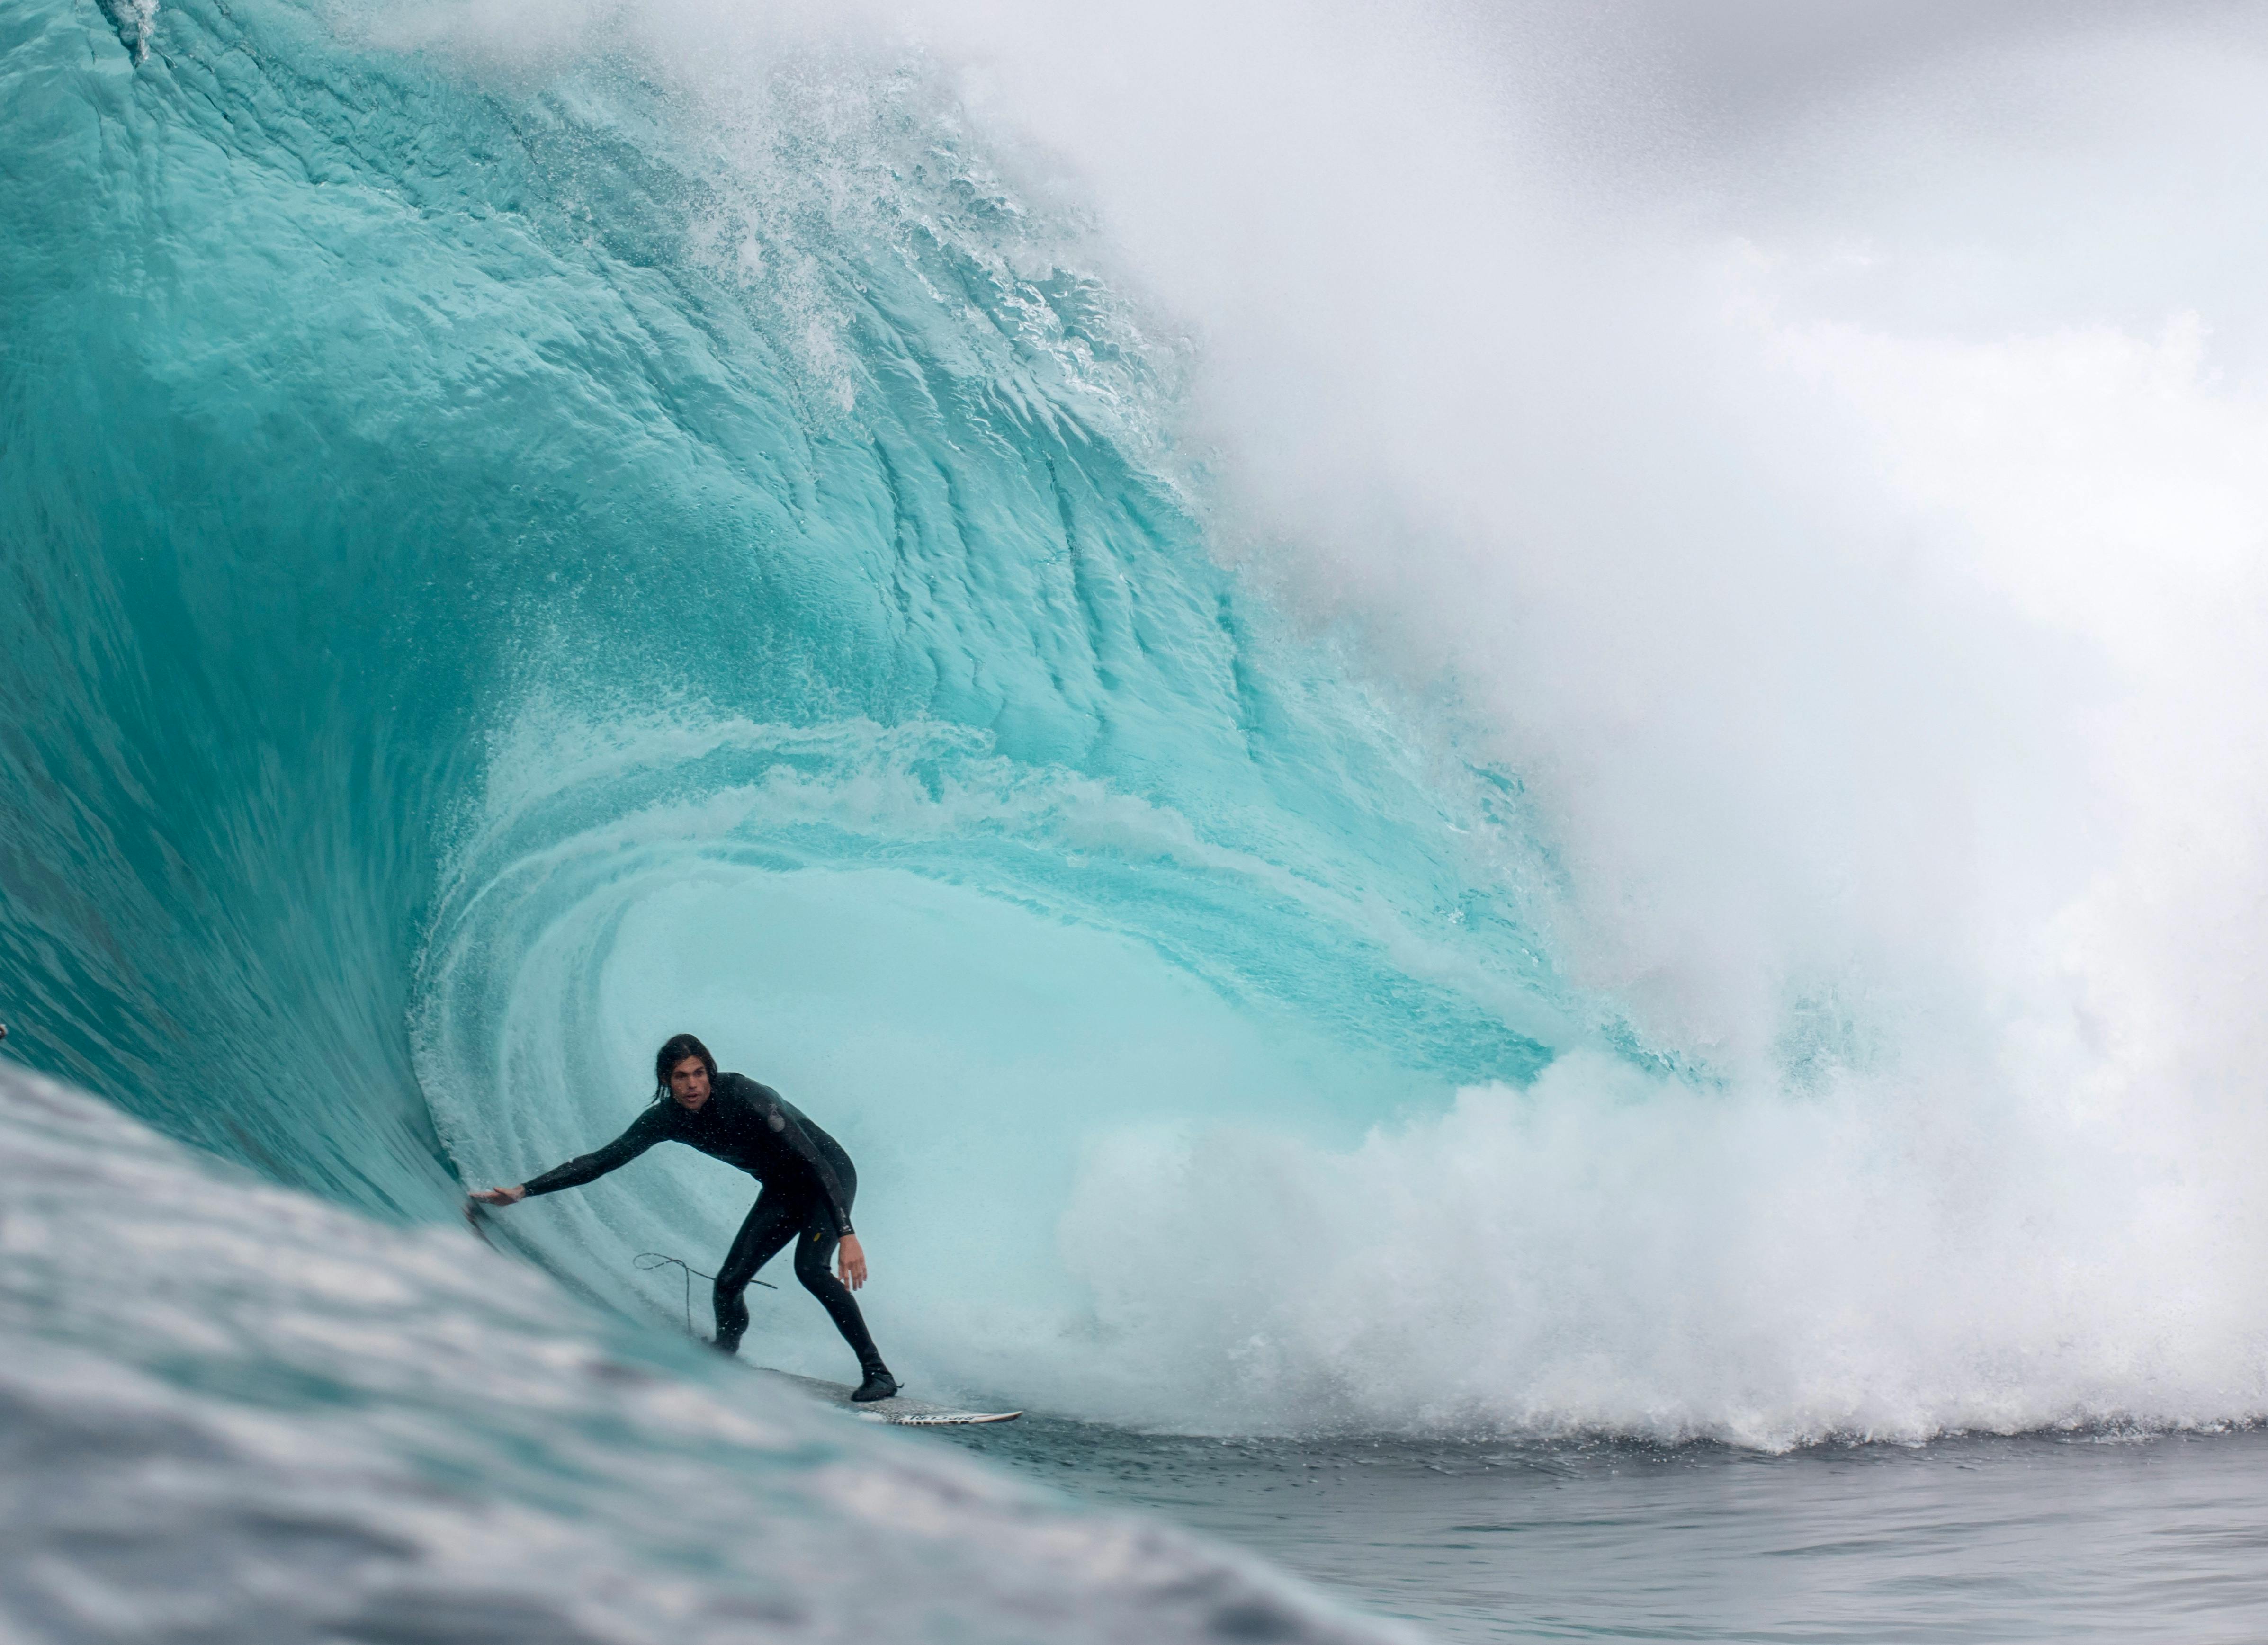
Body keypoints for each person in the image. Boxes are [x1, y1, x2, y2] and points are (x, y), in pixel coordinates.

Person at [470, 1032, 899, 1402]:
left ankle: (878, 1373)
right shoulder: (666, 1120)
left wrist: (846, 1232)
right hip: (784, 1189)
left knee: (810, 1269)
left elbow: (812, 1159)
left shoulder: (749, 1098)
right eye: (681, 1076)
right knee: (729, 1283)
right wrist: (524, 1190)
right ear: (666, 1081)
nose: (693, 1085)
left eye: (699, 1073)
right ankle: (725, 1354)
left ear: (710, 1072)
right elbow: (603, 1160)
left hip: (827, 1175)